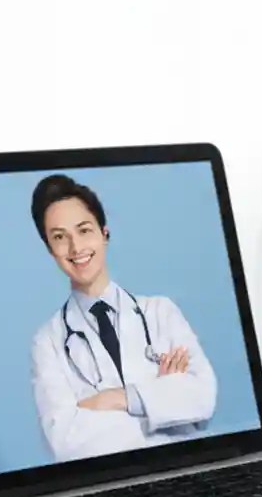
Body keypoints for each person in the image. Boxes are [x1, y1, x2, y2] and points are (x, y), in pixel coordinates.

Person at [29, 175, 217, 463]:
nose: (75, 247)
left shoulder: (160, 312)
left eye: (84, 230)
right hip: (107, 490)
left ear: (104, 233)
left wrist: (117, 399)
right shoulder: (48, 342)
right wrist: (160, 398)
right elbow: (65, 442)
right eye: (59, 237)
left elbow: (202, 397)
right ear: (49, 250)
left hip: (184, 475)